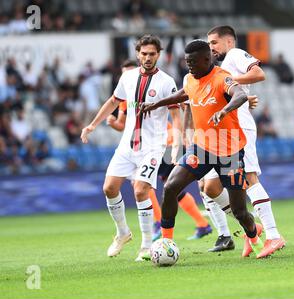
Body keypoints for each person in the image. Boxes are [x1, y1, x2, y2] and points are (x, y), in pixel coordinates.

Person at [140, 39, 265, 257]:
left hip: (230, 152)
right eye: (186, 61)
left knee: (239, 211)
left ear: (206, 59)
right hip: (202, 148)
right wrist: (156, 104)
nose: (188, 66)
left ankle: (253, 235)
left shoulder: (221, 77)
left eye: (192, 62)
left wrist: (225, 110)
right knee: (170, 187)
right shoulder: (190, 78)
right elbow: (183, 93)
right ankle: (166, 243)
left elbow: (241, 95)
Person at [80, 35, 179, 262]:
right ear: (137, 54)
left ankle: (146, 245)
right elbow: (113, 102)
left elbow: (175, 113)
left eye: (152, 54)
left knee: (140, 190)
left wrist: (178, 144)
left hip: (153, 146)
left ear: (158, 55)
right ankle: (123, 233)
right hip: (127, 145)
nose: (147, 58)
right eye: (144, 54)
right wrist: (92, 125)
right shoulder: (128, 77)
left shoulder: (166, 81)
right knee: (109, 188)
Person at [202, 26, 285, 259]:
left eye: (214, 42)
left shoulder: (235, 55)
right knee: (211, 187)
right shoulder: (219, 67)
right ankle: (252, 233)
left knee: (250, 179)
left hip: (241, 129)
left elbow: (259, 74)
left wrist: (227, 81)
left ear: (229, 42)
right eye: (209, 43)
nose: (211, 47)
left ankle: (273, 234)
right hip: (224, 132)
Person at [107, 61, 212, 242]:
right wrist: (113, 123)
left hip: (163, 143)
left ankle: (162, 223)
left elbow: (174, 112)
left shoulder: (155, 85)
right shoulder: (126, 99)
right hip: (145, 144)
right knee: (159, 186)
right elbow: (124, 126)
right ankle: (201, 224)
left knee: (153, 186)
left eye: (130, 72)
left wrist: (113, 122)